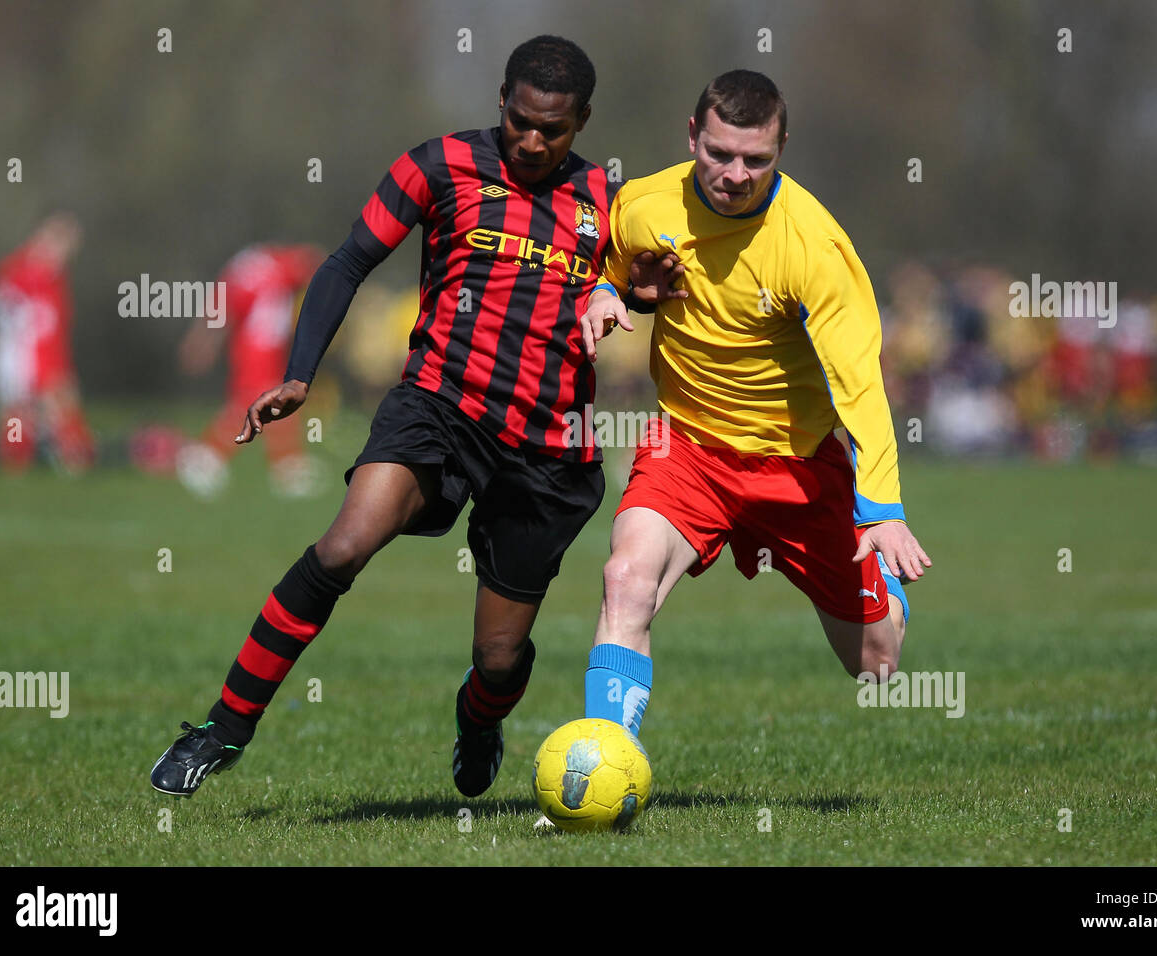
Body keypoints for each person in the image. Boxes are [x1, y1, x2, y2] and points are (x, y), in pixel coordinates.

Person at [150, 35, 667, 799]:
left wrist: (644, 291)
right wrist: (299, 374)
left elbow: (635, 291)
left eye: (551, 129)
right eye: (520, 120)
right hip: (438, 407)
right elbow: (346, 261)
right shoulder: (437, 165)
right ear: (501, 101)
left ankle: (479, 719)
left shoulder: (611, 203)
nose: (531, 139)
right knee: (341, 546)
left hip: (546, 446)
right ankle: (223, 729)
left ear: (582, 121)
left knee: (497, 658)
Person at [576, 70, 931, 737]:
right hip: (685, 447)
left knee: (878, 667)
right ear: (692, 135)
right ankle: (604, 761)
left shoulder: (816, 247)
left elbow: (860, 382)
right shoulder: (644, 205)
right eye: (718, 153)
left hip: (796, 468)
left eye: (755, 160)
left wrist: (881, 510)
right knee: (625, 578)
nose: (734, 174)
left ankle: (882, 583)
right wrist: (607, 292)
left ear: (783, 147)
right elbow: (608, 268)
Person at [175, 242, 322, 498]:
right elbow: (224, 308)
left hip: (269, 348)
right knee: (254, 401)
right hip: (254, 348)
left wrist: (202, 341)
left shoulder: (270, 266)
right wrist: (201, 342)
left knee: (276, 399)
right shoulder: (263, 269)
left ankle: (287, 466)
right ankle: (207, 456)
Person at [0, 213, 95, 473]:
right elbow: (1, 310)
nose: (66, 253)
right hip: (23, 354)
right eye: (63, 244)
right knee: (24, 409)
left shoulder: (54, 276)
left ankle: (66, 458)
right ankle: (24, 460)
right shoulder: (19, 271)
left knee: (44, 407)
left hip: (47, 353)